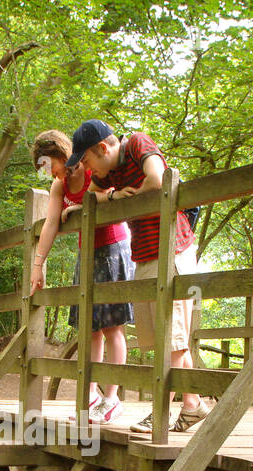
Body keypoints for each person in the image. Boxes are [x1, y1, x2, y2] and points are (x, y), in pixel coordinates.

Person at [66, 119, 212, 434]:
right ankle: (193, 404)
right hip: (144, 255)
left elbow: (158, 179)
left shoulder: (136, 144)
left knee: (170, 338)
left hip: (171, 250)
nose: (89, 169)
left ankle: (159, 412)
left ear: (102, 148)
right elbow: (91, 197)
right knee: (163, 339)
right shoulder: (110, 175)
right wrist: (115, 196)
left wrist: (128, 196)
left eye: (88, 161)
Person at [29, 130, 133, 424]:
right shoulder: (58, 186)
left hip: (113, 246)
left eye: (48, 164)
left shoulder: (91, 170)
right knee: (89, 328)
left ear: (61, 155)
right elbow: (50, 224)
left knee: (113, 326)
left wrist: (81, 206)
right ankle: (89, 397)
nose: (47, 171)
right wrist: (38, 265)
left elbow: (113, 194)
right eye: (43, 167)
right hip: (86, 251)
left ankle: (112, 398)